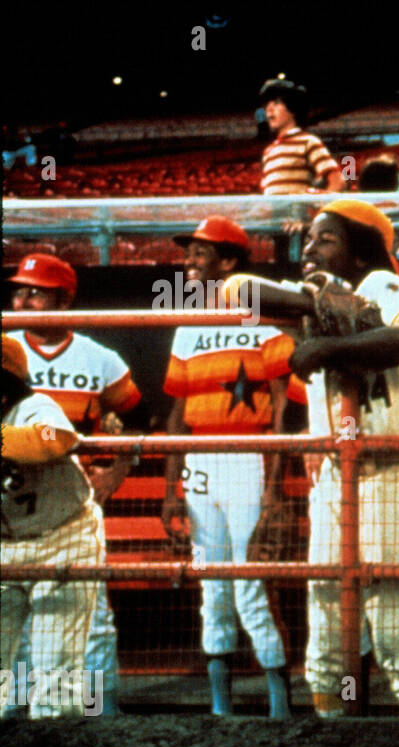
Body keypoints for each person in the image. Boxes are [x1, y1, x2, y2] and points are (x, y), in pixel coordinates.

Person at [223, 199, 399, 717]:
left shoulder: (382, 286)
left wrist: (330, 348)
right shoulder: (312, 294)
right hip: (334, 477)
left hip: (391, 472)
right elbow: (236, 291)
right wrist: (314, 301)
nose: (309, 248)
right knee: (325, 612)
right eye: (309, 238)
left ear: (360, 249)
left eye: (326, 239)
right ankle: (335, 737)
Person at [162, 216, 297, 719]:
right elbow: (176, 414)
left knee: (252, 587)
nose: (189, 263)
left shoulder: (263, 320)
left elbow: (285, 406)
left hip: (249, 457)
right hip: (200, 460)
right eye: (189, 253)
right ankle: (222, 712)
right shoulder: (185, 326)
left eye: (200, 254)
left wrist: (274, 488)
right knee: (212, 587)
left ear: (231, 262)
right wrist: (170, 487)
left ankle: (280, 712)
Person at [10, 253, 144, 718]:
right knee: (18, 622)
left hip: (68, 503)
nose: (23, 300)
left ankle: (96, 723)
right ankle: (19, 722)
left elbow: (139, 419)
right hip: (10, 505)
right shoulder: (4, 347)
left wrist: (119, 470)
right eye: (19, 291)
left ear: (64, 298)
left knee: (92, 619)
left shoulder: (98, 357)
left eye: (35, 292)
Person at [1, 335, 102, 718]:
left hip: (64, 537)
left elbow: (56, 439)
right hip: (4, 546)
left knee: (57, 681)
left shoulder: (34, 407)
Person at [258, 78, 343, 195]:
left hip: (298, 213)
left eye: (277, 103)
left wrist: (320, 207)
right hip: (277, 213)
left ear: (292, 108)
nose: (269, 109)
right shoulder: (268, 151)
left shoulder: (308, 142)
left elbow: (337, 181)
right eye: (267, 104)